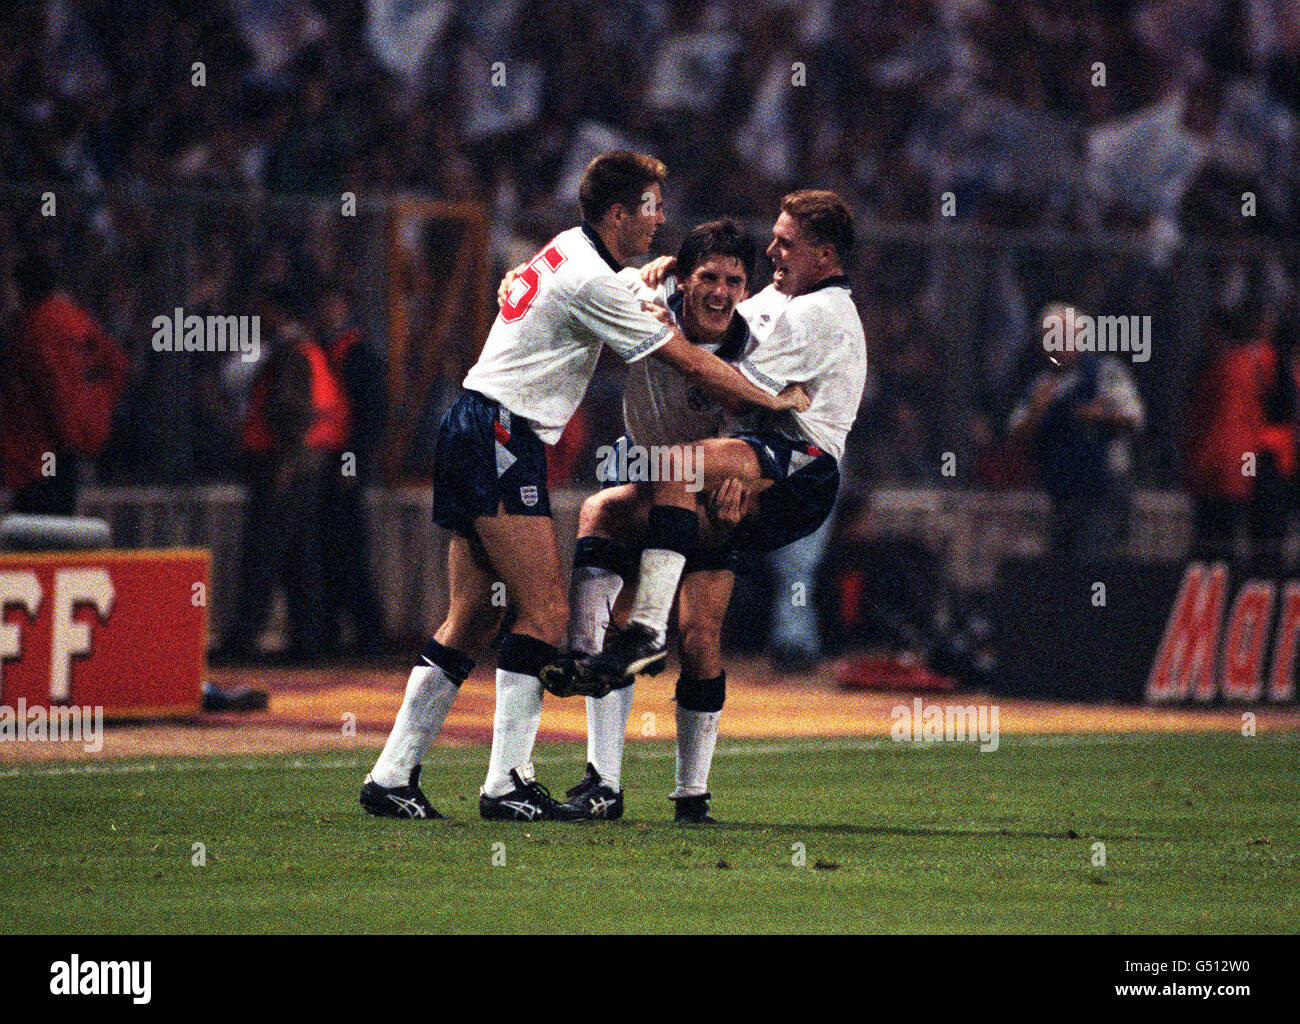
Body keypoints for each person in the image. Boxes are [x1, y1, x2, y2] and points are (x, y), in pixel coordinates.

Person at [360, 151, 809, 821]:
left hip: (476, 424)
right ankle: (506, 783)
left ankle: (392, 774)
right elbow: (688, 361)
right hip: (503, 435)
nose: (659, 220)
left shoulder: (568, 252)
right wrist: (777, 404)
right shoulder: (596, 282)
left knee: (474, 615)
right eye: (652, 207)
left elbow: (539, 287)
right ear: (619, 213)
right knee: (544, 613)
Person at [573, 190, 868, 825]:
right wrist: (642, 273)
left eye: (785, 243)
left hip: (790, 471)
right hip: (732, 470)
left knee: (679, 467)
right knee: (692, 622)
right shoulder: (758, 303)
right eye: (709, 276)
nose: (768, 255)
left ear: (826, 255)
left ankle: (639, 633)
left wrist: (739, 464)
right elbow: (592, 280)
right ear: (685, 277)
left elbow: (738, 397)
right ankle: (669, 792)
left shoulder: (813, 317)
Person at [221, 280, 349, 664]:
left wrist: (285, 465)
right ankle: (307, 642)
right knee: (298, 557)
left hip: (284, 466)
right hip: (305, 466)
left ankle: (244, 640)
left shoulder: (290, 354)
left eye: (261, 309)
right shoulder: (308, 350)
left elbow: (292, 413)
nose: (255, 317)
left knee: (263, 555)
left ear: (275, 312)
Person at [1008, 303, 1145, 559]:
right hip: (1062, 492)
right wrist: (1038, 410)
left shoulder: (1107, 372)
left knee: (1093, 562)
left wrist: (1099, 415)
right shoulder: (1044, 383)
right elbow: (1016, 435)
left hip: (1104, 489)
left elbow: (1134, 418)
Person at [2, 251, 128, 514]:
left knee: (37, 540)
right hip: (69, 450)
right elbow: (117, 366)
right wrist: (94, 415)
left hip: (36, 458)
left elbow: (53, 391)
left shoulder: (31, 328)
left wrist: (70, 433)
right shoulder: (77, 319)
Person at [319, 282, 387, 656]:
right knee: (336, 550)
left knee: (347, 548)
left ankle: (368, 630)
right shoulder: (334, 349)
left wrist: (352, 464)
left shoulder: (356, 352)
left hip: (345, 461)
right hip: (335, 459)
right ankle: (348, 630)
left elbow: (369, 416)